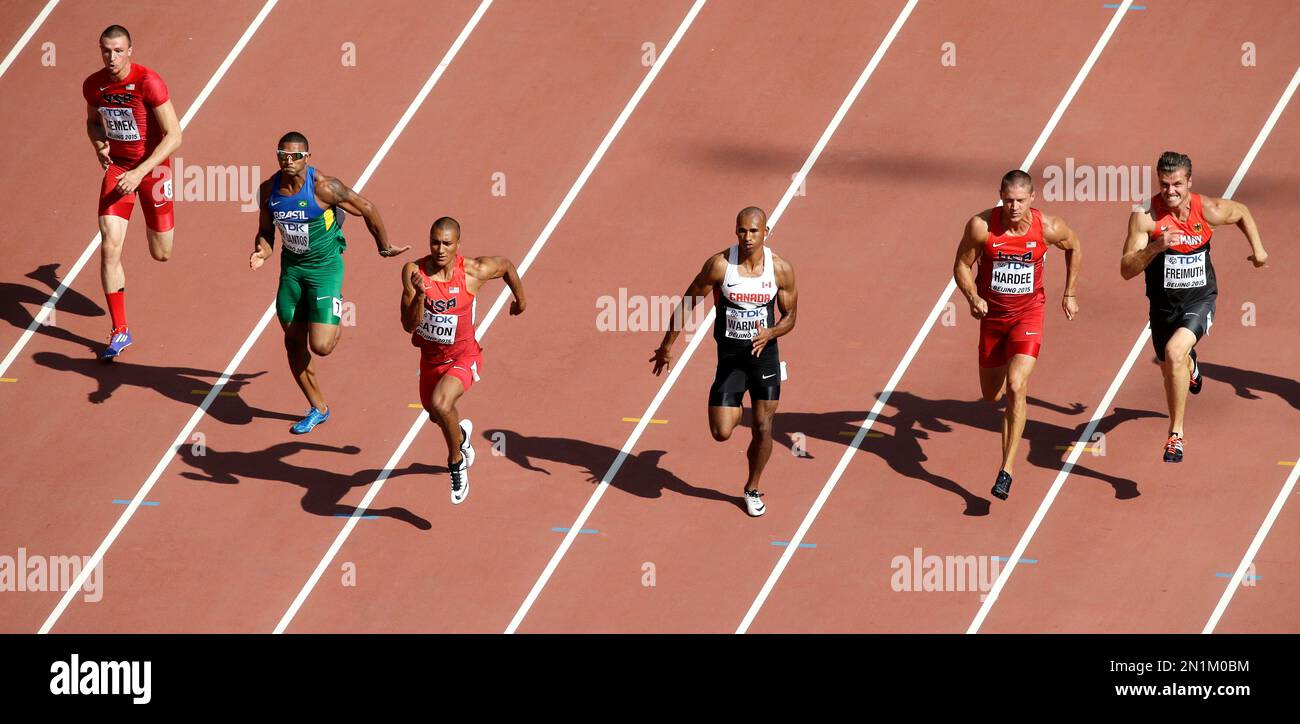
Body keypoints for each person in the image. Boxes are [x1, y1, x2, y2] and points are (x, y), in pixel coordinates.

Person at [250, 131, 409, 434]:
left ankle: (330, 306)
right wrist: (262, 251)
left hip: (325, 269)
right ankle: (318, 408)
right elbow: (265, 232)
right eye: (282, 154)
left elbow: (367, 208)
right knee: (293, 341)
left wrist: (383, 246)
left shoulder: (324, 187)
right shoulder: (268, 190)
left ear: (307, 158)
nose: (289, 160)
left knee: (321, 346)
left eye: (296, 155)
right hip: (293, 270)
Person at [1120, 151, 1268, 462]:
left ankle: (1176, 435)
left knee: (1175, 352)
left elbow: (1240, 211)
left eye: (1176, 184)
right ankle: (1192, 367)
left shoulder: (1208, 209)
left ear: (1189, 182)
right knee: (1170, 366)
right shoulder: (1145, 218)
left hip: (1201, 299)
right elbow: (1126, 269)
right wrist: (1157, 246)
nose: (1170, 191)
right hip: (1162, 308)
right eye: (1164, 184)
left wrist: (1259, 250)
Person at [651, 207, 798, 517]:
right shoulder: (720, 266)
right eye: (742, 231)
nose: (747, 237)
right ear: (736, 231)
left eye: (754, 231)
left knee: (763, 425)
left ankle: (752, 488)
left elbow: (791, 317)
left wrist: (771, 331)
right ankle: (737, 397)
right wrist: (666, 346)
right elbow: (687, 303)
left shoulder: (780, 270)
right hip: (731, 360)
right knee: (721, 432)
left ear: (766, 232)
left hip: (764, 357)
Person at [953, 169, 1081, 501]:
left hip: (1028, 314)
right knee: (991, 397)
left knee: (1017, 385)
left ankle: (1006, 470)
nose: (1013, 208)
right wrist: (972, 297)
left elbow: (1074, 247)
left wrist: (1069, 292)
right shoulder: (981, 227)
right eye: (1008, 201)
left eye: (1020, 201)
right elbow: (961, 265)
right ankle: (1006, 438)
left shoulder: (1048, 227)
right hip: (992, 319)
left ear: (1032, 199)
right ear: (1000, 196)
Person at [401, 217, 525, 504]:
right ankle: (462, 437)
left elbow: (505, 265)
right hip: (430, 360)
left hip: (464, 356)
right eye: (435, 242)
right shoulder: (414, 272)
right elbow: (408, 325)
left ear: (458, 244)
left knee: (442, 405)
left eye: (446, 243)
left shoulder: (472, 271)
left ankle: (456, 464)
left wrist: (521, 300)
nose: (440, 249)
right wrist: (420, 295)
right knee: (438, 416)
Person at [82, 25, 182, 360]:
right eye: (106, 50)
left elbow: (174, 135)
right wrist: (99, 147)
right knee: (109, 245)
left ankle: (152, 221)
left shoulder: (148, 82)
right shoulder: (93, 86)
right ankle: (120, 329)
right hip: (119, 171)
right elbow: (93, 122)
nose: (112, 57)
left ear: (130, 50)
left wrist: (141, 173)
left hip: (152, 171)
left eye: (118, 50)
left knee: (162, 252)